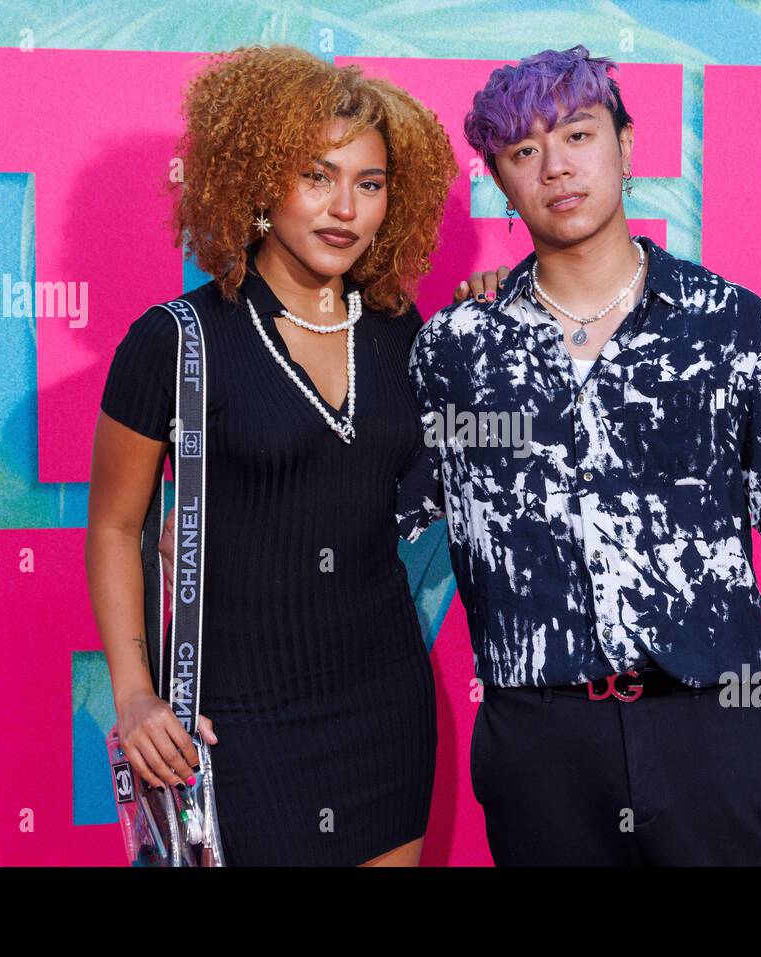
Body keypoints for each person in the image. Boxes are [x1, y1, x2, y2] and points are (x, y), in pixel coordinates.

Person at [396, 44, 761, 866]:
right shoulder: (456, 348)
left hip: (714, 722)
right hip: (540, 744)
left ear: (627, 146)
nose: (556, 167)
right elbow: (377, 526)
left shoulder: (734, 326)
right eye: (524, 151)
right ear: (499, 177)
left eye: (577, 135)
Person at [86, 43, 460, 866]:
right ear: (258, 182)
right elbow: (115, 528)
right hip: (235, 724)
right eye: (317, 176)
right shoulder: (176, 341)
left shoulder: (405, 335)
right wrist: (137, 692)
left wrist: (495, 327)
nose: (344, 208)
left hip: (384, 709)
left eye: (370, 184)